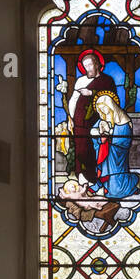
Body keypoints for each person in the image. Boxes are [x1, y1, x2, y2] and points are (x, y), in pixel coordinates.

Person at [57, 49, 117, 185]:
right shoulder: (81, 80)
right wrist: (70, 118)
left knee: (93, 150)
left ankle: (94, 179)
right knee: (80, 150)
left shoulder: (107, 80)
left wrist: (91, 92)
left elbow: (111, 98)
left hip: (96, 122)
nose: (87, 69)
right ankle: (82, 179)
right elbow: (73, 99)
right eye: (85, 66)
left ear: (97, 64)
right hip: (78, 122)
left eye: (90, 65)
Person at [89, 91, 140, 198]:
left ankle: (132, 181)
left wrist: (109, 137)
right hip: (105, 153)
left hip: (117, 155)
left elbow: (123, 142)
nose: (103, 114)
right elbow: (93, 131)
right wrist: (99, 135)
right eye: (100, 111)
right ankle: (102, 184)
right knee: (103, 169)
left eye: (105, 110)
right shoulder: (102, 119)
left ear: (111, 107)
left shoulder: (123, 122)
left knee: (117, 190)